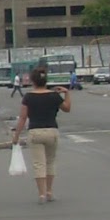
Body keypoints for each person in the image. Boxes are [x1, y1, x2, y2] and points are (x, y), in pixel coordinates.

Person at [12, 66, 72, 203]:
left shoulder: (28, 97)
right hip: (51, 130)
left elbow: (23, 118)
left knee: (39, 164)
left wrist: (16, 135)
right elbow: (67, 108)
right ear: (46, 81)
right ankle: (49, 191)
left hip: (35, 131)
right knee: (50, 162)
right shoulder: (54, 95)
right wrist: (67, 93)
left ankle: (41, 194)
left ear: (32, 81)